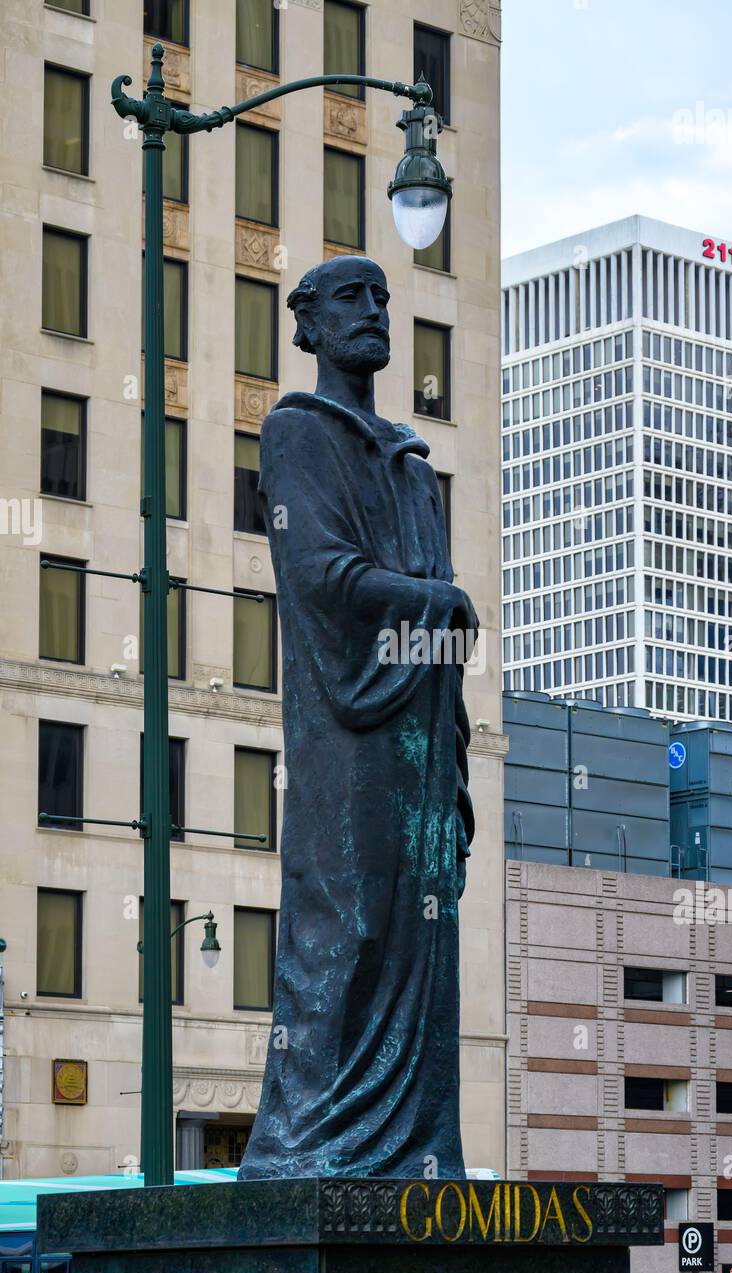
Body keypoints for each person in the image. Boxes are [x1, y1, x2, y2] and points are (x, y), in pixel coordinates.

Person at [238, 256, 476, 1180]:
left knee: (424, 933)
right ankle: (308, 1146)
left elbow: (444, 624)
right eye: (351, 298)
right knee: (348, 922)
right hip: (347, 730)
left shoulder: (415, 470)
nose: (374, 311)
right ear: (308, 324)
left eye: (381, 297)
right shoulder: (296, 435)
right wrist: (432, 599)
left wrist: (453, 766)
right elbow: (318, 578)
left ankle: (418, 1148)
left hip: (422, 732)